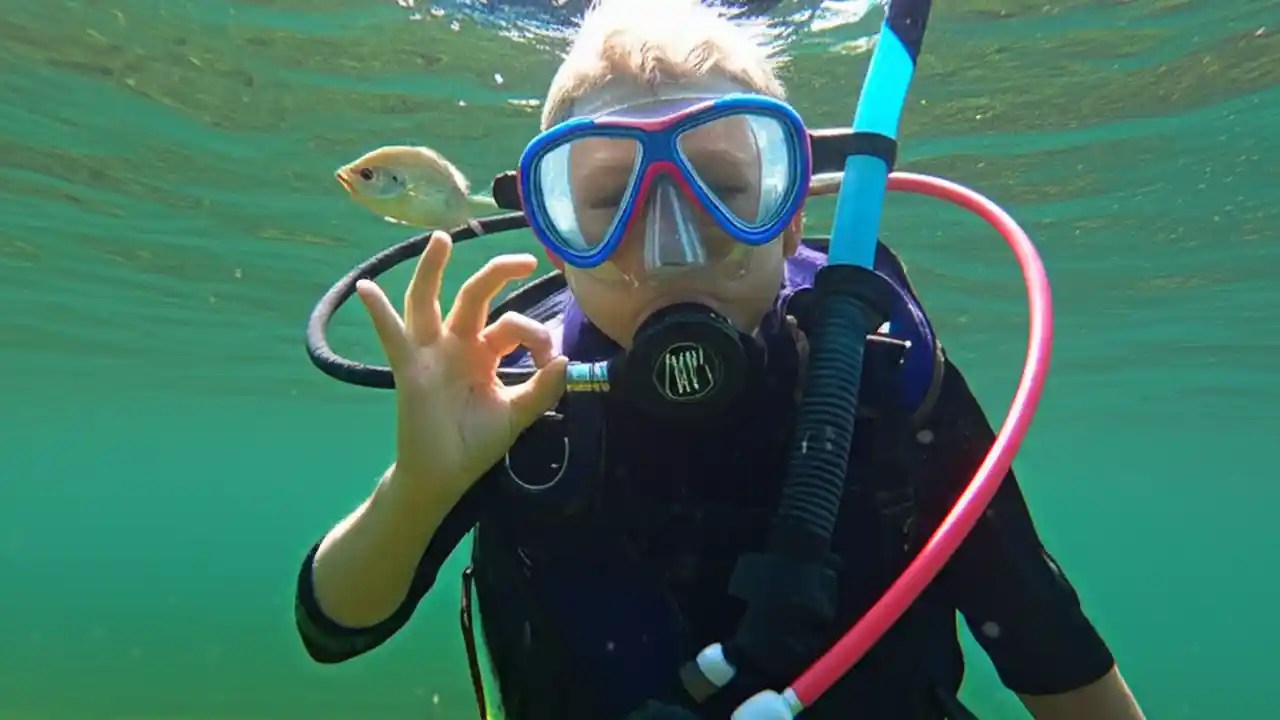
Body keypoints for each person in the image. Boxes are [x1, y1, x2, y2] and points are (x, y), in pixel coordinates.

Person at [294, 0, 1146, 718]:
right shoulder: (517, 394)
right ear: (556, 238)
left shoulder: (885, 380)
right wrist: (420, 486)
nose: (672, 246)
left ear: (791, 212)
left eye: (727, 188)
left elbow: (1055, 655)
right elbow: (336, 624)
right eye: (607, 198)